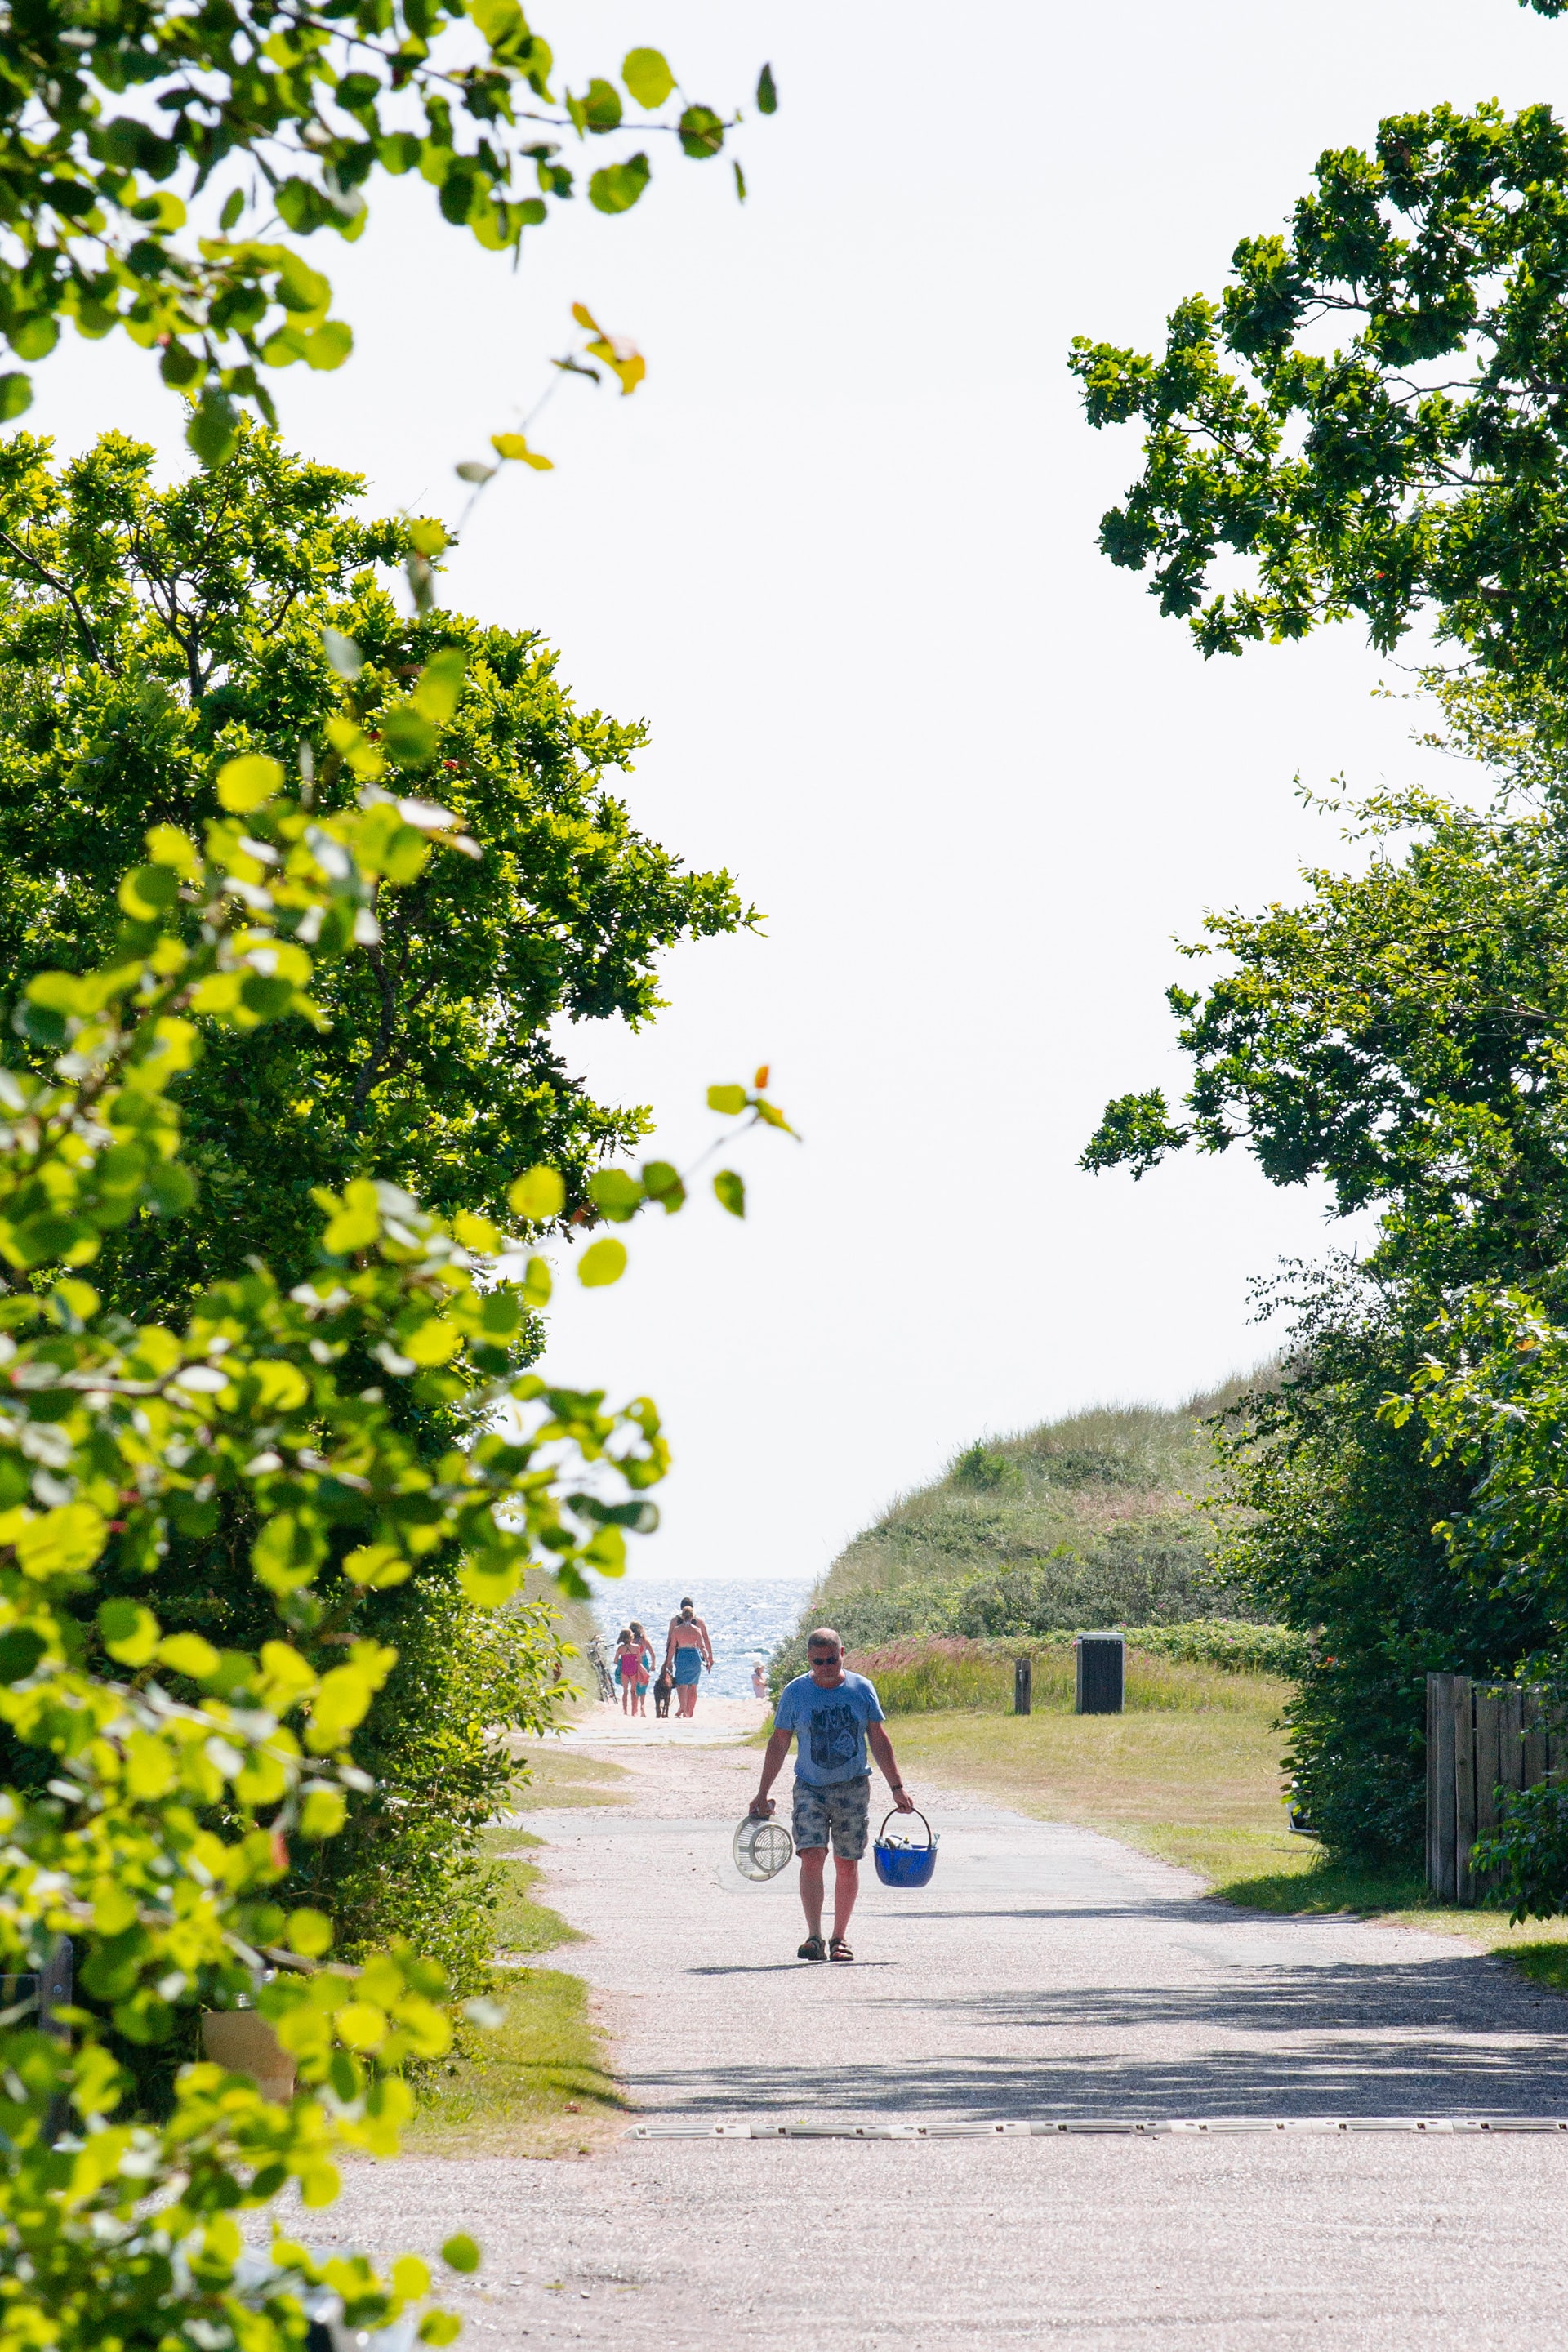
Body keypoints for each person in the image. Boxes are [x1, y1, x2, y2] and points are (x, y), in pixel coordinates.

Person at [749, 1626, 914, 1962]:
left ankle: (840, 1937)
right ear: (809, 1659)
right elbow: (780, 1741)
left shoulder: (860, 1689)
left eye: (830, 1660)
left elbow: (878, 1739)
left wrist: (897, 1787)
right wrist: (762, 1791)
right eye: (817, 1661)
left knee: (846, 1861)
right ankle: (814, 1936)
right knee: (811, 1855)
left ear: (842, 1654)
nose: (825, 1667)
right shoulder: (796, 1692)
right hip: (810, 1786)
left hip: (852, 1786)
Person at [664, 1596, 713, 1718]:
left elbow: (670, 1643)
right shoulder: (698, 1626)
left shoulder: (675, 1625)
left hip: (680, 1656)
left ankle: (683, 1708)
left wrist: (668, 1661)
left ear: (681, 1610)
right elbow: (704, 1644)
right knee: (693, 1686)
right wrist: (709, 1659)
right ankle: (689, 1713)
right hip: (695, 1657)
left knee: (681, 1684)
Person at [626, 1620, 656, 1718]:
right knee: (643, 1685)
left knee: (634, 1686)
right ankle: (642, 1706)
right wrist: (653, 1665)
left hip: (633, 1662)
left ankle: (634, 1709)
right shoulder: (645, 1641)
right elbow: (653, 1654)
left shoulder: (630, 1641)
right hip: (644, 1662)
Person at [614, 1627, 646, 1716]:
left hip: (624, 1670)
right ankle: (634, 1711)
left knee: (625, 1691)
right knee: (633, 1690)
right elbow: (639, 1660)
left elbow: (615, 1660)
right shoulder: (636, 1647)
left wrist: (621, 1662)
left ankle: (625, 1710)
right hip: (633, 1670)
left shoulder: (621, 1648)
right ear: (631, 1637)